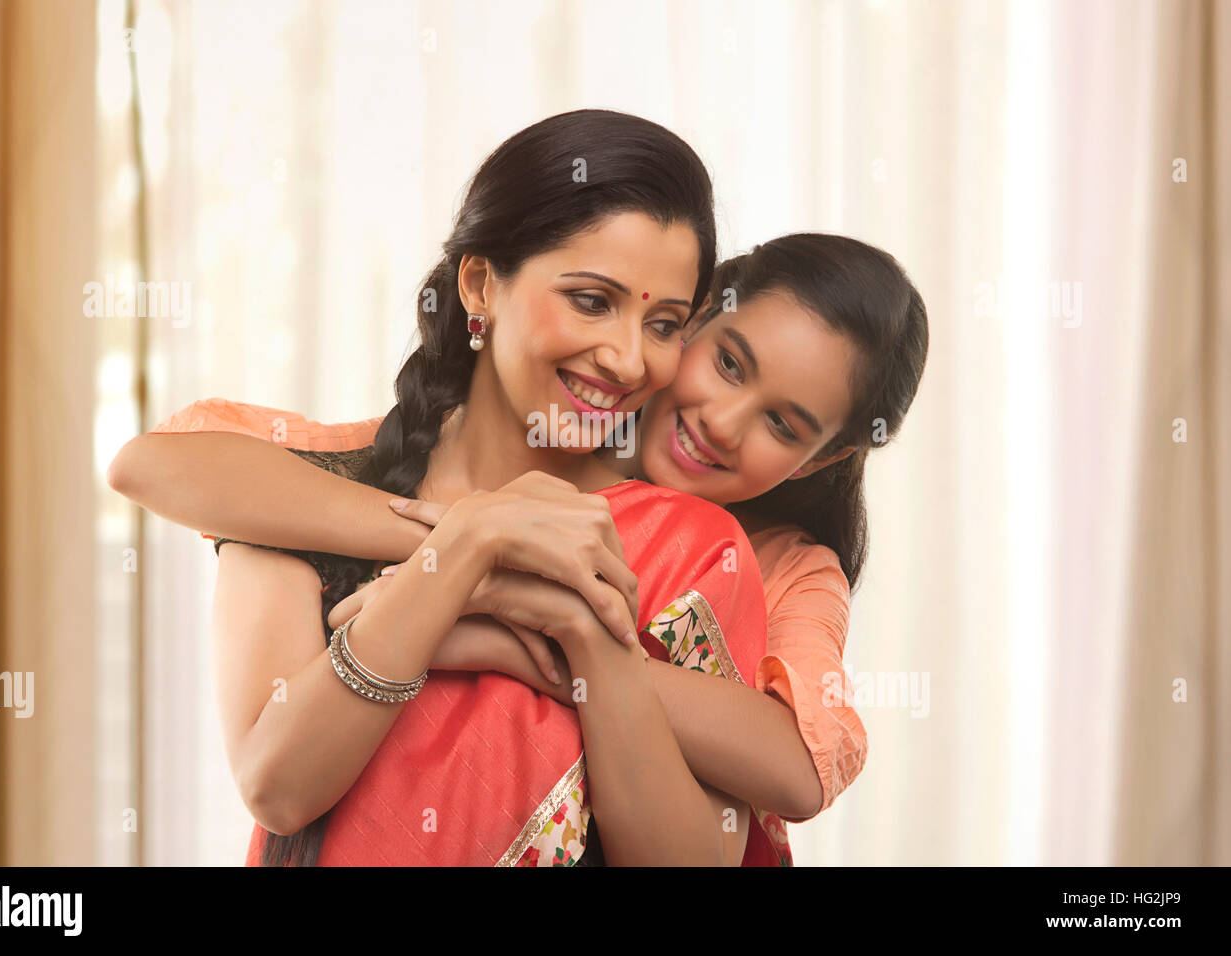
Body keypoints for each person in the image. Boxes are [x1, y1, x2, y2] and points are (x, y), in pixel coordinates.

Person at [120, 232, 930, 864]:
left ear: (823, 458)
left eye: (783, 425)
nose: (724, 420)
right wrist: (468, 546)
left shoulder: (775, 564)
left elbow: (793, 765)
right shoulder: (484, 464)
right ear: (691, 320)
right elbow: (164, 464)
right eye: (725, 362)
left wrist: (530, 638)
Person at [110, 108, 783, 866]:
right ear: (480, 285)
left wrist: (583, 639)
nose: (629, 360)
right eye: (591, 301)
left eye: (665, 325)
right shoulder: (308, 499)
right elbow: (279, 788)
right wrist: (473, 541)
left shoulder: (687, 544)